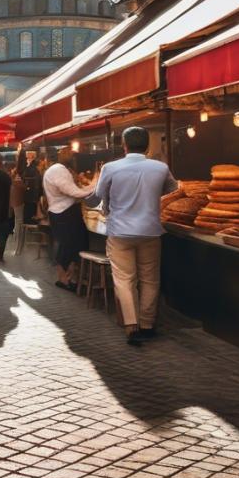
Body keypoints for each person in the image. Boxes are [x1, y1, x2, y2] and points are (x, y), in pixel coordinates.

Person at [89, 126, 178, 346]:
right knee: (150, 279)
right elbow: (172, 188)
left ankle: (131, 326)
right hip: (150, 230)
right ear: (147, 146)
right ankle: (148, 325)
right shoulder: (160, 167)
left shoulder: (110, 167)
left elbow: (99, 196)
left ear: (124, 145)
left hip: (120, 231)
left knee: (124, 279)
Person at [43, 147, 96, 292]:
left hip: (66, 212)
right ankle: (64, 279)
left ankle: (71, 277)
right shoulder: (58, 171)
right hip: (63, 213)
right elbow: (74, 192)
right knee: (66, 246)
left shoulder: (59, 170)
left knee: (75, 245)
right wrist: (95, 185)